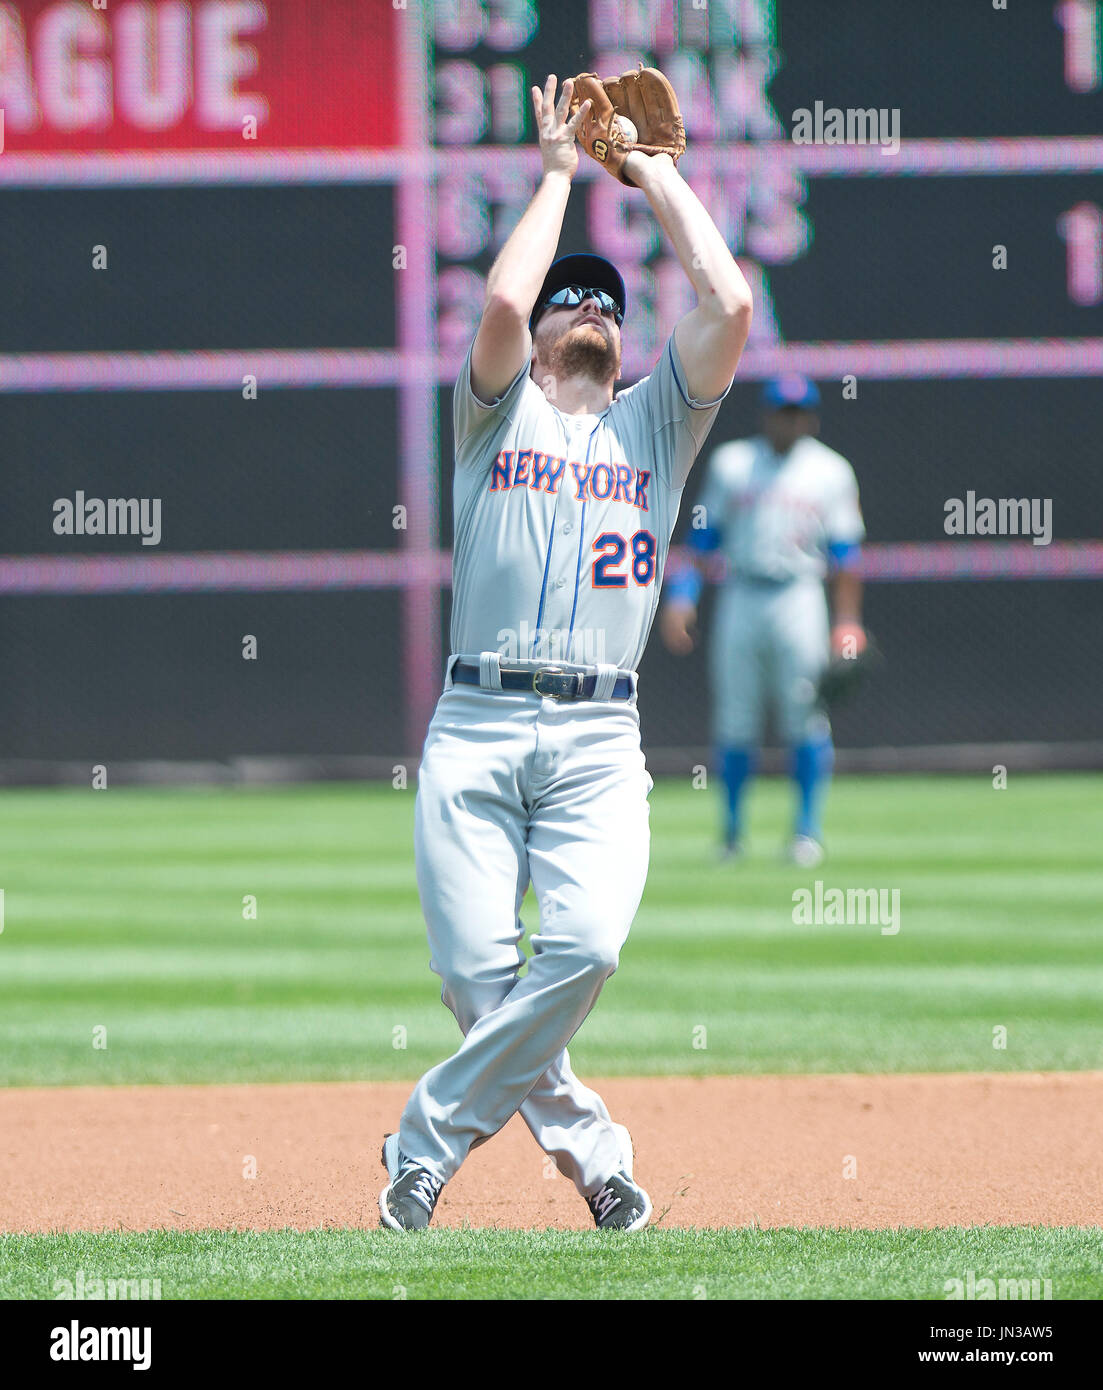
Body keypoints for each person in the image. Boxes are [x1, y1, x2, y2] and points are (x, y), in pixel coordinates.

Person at [379, 75, 752, 1232]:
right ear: (539, 339)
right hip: (478, 723)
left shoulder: (656, 422)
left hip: (597, 732)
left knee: (585, 943)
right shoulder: (496, 416)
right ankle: (597, 1163)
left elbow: (727, 300)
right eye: (568, 305)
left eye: (604, 306)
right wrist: (552, 177)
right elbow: (496, 298)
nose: (587, 312)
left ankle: (423, 1140)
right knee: (477, 974)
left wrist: (650, 174)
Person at [660, 375, 867, 867]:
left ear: (811, 418)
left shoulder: (831, 471)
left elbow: (845, 554)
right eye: (781, 411)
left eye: (798, 412)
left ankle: (806, 832)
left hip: (800, 596)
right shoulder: (734, 464)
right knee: (735, 719)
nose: (789, 420)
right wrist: (682, 597)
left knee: (806, 717)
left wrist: (847, 623)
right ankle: (731, 834)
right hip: (742, 592)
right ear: (766, 415)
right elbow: (703, 538)